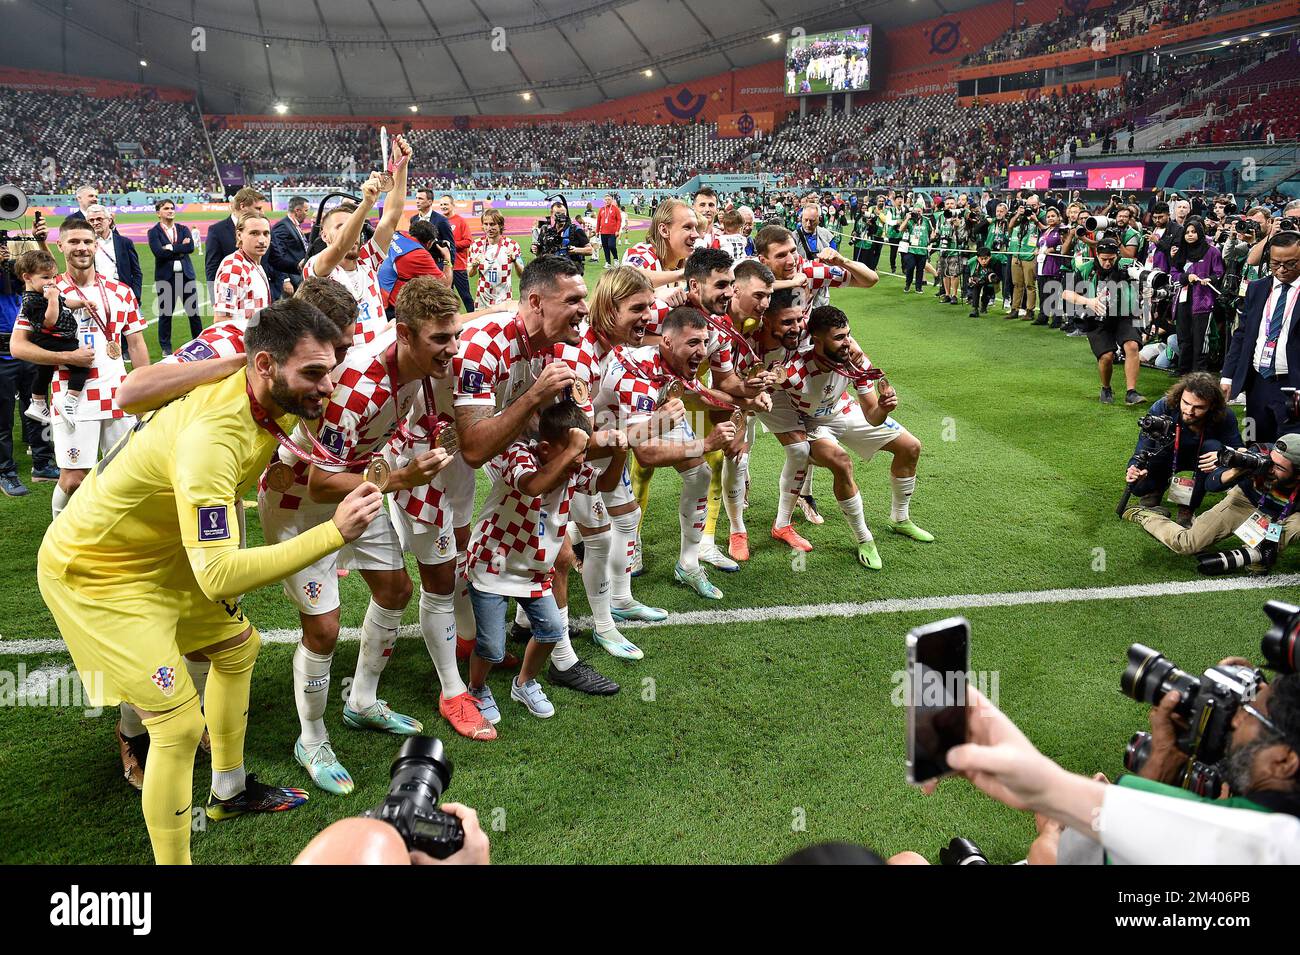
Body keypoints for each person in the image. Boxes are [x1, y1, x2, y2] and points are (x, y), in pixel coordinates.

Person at [36, 296, 379, 864]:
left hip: (160, 552)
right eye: (316, 372)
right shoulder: (212, 438)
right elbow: (217, 575)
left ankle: (230, 789)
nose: (329, 384)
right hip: (97, 572)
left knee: (237, 648)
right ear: (266, 365)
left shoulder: (275, 395)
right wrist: (333, 535)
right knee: (174, 724)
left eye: (333, 365)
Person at [926, 686, 1300, 864]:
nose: (1235, 718)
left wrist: (1051, 804)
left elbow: (1050, 858)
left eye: (1251, 714)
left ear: (1285, 761)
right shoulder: (1263, 826)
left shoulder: (1263, 845)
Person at [465, 401, 627, 724]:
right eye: (571, 455)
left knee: (552, 630)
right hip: (492, 566)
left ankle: (524, 683)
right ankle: (477, 687)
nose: (576, 466)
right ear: (544, 448)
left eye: (579, 457)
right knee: (492, 647)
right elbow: (533, 487)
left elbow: (605, 484)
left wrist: (621, 452)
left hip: (535, 570)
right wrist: (573, 453)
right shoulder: (518, 456)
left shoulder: (571, 464)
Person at [10, 218, 149, 517]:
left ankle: (111, 543)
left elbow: (136, 345)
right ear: (60, 246)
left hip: (119, 394)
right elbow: (18, 346)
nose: (81, 248)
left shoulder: (121, 291)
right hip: (73, 397)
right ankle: (58, 541)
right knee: (73, 480)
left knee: (123, 479)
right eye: (73, 242)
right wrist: (71, 359)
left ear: (96, 244)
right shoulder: (47, 288)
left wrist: (146, 397)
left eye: (87, 241)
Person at [775, 305, 931, 570]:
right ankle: (864, 538)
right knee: (841, 461)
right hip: (811, 424)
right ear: (817, 339)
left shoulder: (856, 361)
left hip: (843, 410)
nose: (848, 342)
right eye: (839, 337)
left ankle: (900, 519)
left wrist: (883, 406)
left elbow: (872, 416)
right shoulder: (795, 372)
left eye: (848, 334)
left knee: (910, 446)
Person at [602, 307, 738, 599]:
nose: (701, 351)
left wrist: (745, 404)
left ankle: (688, 565)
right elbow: (647, 454)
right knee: (603, 515)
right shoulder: (639, 376)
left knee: (700, 473)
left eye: (704, 342)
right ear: (666, 342)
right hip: (604, 427)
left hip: (651, 414)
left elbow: (701, 392)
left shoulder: (673, 364)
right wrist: (705, 444)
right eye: (693, 343)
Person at [1124, 433, 1300, 575]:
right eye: (1271, 460)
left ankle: (1256, 552)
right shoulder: (1258, 455)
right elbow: (1211, 484)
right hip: (1244, 501)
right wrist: (1236, 471)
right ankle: (1149, 517)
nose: (1270, 468)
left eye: (1279, 467)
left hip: (1281, 515)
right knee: (1187, 543)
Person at [307, 137, 411, 347]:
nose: (351, 232)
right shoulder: (318, 269)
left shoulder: (367, 261)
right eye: (340, 227)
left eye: (353, 225)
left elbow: (391, 216)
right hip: (343, 367)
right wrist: (365, 204)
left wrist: (401, 166)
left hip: (377, 362)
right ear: (324, 236)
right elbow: (339, 247)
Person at [1124, 373, 1241, 525]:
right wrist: (1135, 469)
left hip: (1203, 459)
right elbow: (1143, 447)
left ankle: (1188, 507)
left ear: (1212, 406)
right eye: (1185, 403)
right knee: (1137, 487)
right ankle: (1155, 488)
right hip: (1168, 454)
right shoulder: (1163, 406)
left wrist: (1224, 454)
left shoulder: (1225, 415)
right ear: (1180, 396)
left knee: (1213, 446)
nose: (1189, 411)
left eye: (1198, 407)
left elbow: (1240, 450)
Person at [1220, 232, 1300, 444]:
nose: (1282, 270)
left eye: (1290, 264)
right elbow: (1241, 335)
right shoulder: (1257, 288)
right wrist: (1227, 376)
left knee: (1289, 452)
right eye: (1275, 264)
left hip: (1293, 385)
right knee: (1253, 442)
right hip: (1256, 383)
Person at [0, 231, 59, 496]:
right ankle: (6, 472)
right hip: (2, 355)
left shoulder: (22, 277)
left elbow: (45, 269)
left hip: (30, 350)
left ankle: (42, 463)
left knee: (37, 408)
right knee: (3, 418)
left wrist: (39, 239)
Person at [1062, 236, 1146, 406]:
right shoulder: (1085, 269)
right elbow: (1066, 293)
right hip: (1096, 317)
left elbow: (1145, 278)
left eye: (1111, 259)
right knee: (1107, 356)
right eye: (1104, 259)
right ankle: (1106, 387)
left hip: (1124, 314)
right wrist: (1089, 301)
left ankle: (1131, 392)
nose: (1108, 263)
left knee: (1132, 346)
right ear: (1097, 255)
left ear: (1117, 256)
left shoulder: (1127, 265)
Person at [13, 250, 92, 427]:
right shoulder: (31, 300)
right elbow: (50, 321)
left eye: (54, 276)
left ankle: (38, 403)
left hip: (53, 340)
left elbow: (65, 301)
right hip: (56, 339)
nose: (52, 282)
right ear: (27, 277)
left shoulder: (43, 294)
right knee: (83, 365)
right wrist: (53, 299)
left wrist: (81, 303)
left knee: (44, 372)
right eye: (46, 277)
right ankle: (69, 401)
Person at [1170, 216, 1225, 373]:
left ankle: (1199, 370)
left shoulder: (1212, 251)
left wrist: (1210, 279)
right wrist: (1186, 277)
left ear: (1200, 233)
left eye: (1194, 232)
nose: (1190, 235)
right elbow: (1173, 273)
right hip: (1183, 299)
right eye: (1187, 232)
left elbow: (1219, 272)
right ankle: (1183, 369)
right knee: (1183, 337)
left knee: (1201, 339)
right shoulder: (1181, 251)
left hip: (1203, 300)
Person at [146, 199, 200, 354]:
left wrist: (170, 247)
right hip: (166, 277)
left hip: (186, 276)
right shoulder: (154, 232)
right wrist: (179, 248)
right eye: (166, 208)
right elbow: (158, 252)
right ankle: (166, 347)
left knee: (193, 312)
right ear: (158, 213)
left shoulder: (183, 228)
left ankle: (199, 340)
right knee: (165, 314)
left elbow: (190, 247)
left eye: (172, 208)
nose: (170, 210)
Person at [377, 219, 452, 311]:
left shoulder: (397, 234)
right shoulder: (418, 255)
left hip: (378, 293)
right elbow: (445, 285)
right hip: (393, 305)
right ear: (429, 242)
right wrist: (447, 257)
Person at [212, 212, 273, 325]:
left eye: (266, 233)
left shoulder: (253, 263)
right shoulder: (234, 267)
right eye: (254, 233)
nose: (262, 240)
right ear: (239, 235)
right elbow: (221, 321)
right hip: (243, 341)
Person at [204, 187, 267, 286]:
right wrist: (215, 297)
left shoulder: (263, 228)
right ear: (242, 206)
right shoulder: (216, 231)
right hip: (233, 292)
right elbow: (212, 268)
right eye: (258, 208)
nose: (262, 212)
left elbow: (275, 259)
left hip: (262, 290)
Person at [84, 204, 143, 306]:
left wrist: (135, 295)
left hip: (123, 296)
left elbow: (136, 272)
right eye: (91, 220)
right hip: (97, 298)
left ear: (109, 220)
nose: (95, 223)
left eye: (99, 219)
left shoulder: (125, 243)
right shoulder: (84, 245)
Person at [466, 209, 523, 309]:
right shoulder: (476, 246)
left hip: (504, 300)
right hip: (482, 300)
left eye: (492, 224)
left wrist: (515, 260)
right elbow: (470, 274)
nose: (489, 228)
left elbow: (522, 274)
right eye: (486, 224)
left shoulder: (512, 245)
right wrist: (474, 266)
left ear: (500, 225)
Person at [267, 195, 313, 299]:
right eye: (306, 210)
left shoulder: (292, 225)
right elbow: (277, 255)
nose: (307, 214)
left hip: (298, 276)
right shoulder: (283, 226)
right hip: (292, 279)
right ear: (297, 210)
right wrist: (286, 280)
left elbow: (299, 242)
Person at [436, 194, 474, 312]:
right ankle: (451, 321)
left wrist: (450, 245)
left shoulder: (460, 221)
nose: (443, 206)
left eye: (446, 204)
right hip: (444, 266)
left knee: (466, 296)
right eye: (441, 204)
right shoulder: (438, 221)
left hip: (458, 266)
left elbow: (468, 241)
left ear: (452, 205)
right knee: (447, 297)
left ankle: (473, 317)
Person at [964, 246, 1000, 317]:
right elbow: (966, 273)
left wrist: (993, 279)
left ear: (990, 257)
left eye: (986, 258)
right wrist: (969, 279)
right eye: (981, 259)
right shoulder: (971, 262)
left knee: (988, 290)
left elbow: (999, 276)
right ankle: (975, 309)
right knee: (975, 287)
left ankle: (984, 306)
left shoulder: (996, 261)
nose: (984, 261)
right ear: (978, 258)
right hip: (977, 277)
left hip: (989, 279)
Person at [596, 193, 623, 269]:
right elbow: (598, 221)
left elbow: (619, 220)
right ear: (604, 200)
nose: (607, 201)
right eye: (606, 199)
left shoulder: (615, 209)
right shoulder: (601, 209)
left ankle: (616, 259)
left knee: (611, 246)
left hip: (612, 232)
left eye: (609, 199)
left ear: (612, 200)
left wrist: (617, 230)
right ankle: (608, 262)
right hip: (603, 232)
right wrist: (597, 231)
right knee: (605, 247)